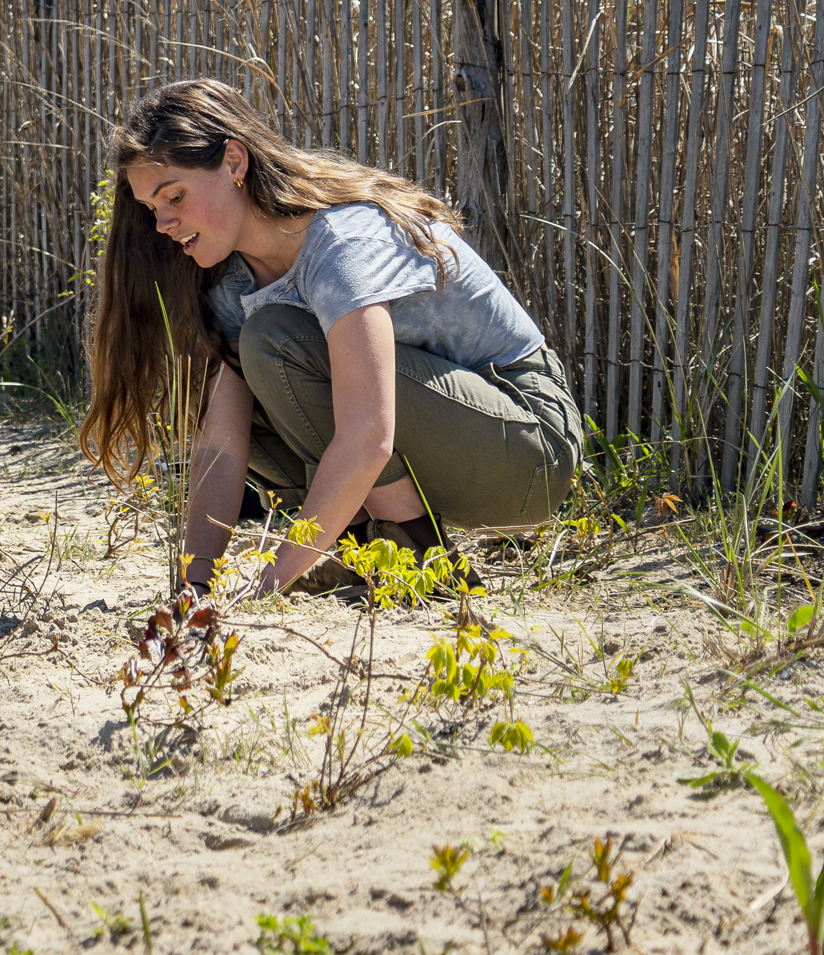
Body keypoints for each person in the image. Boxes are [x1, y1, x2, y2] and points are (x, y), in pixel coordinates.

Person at [77, 78, 583, 596]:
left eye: (174, 196)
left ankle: (419, 554)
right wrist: (196, 585)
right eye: (150, 208)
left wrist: (270, 582)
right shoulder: (230, 285)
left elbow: (369, 437)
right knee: (251, 373)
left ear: (234, 163)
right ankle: (369, 547)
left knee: (274, 340)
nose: (161, 223)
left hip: (527, 448)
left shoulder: (342, 243)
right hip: (451, 450)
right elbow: (221, 451)